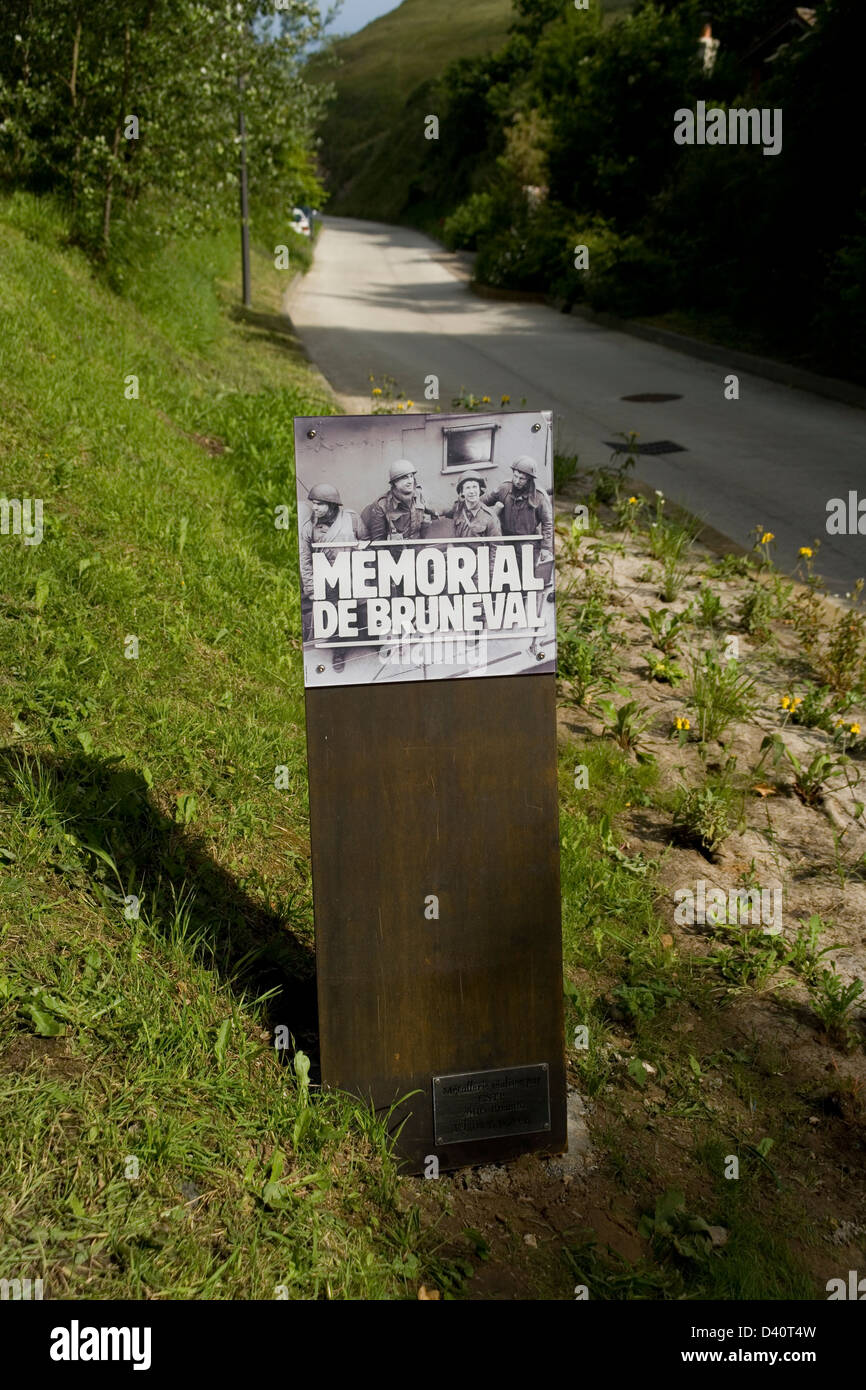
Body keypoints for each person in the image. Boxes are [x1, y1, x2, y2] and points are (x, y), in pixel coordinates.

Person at [299, 482, 360, 673]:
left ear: (332, 504)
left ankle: (369, 641)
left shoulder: (351, 519)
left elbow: (366, 542)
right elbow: (305, 560)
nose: (314, 507)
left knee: (359, 611)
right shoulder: (309, 528)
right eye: (313, 503)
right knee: (334, 617)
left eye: (320, 504)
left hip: (352, 575)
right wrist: (311, 589)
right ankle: (339, 651)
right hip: (328, 581)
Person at [482, 455, 553, 559]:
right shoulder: (504, 488)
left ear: (529, 479)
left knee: (525, 572)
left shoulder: (539, 496)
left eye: (522, 479)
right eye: (515, 476)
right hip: (504, 538)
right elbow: (484, 501)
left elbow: (548, 523)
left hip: (527, 541)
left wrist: (545, 547)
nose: (517, 481)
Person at [359, 460, 438, 541]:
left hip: (417, 548)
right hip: (394, 552)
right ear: (395, 482)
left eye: (411, 476)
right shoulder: (382, 505)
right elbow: (378, 543)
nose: (410, 481)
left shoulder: (420, 496)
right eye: (405, 478)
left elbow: (440, 509)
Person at [442, 469, 502, 538]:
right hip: (459, 548)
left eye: (474, 487)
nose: (472, 491)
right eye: (468, 488)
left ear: (479, 490)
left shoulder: (490, 517)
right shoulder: (458, 508)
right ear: (462, 492)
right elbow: (445, 511)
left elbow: (496, 547)